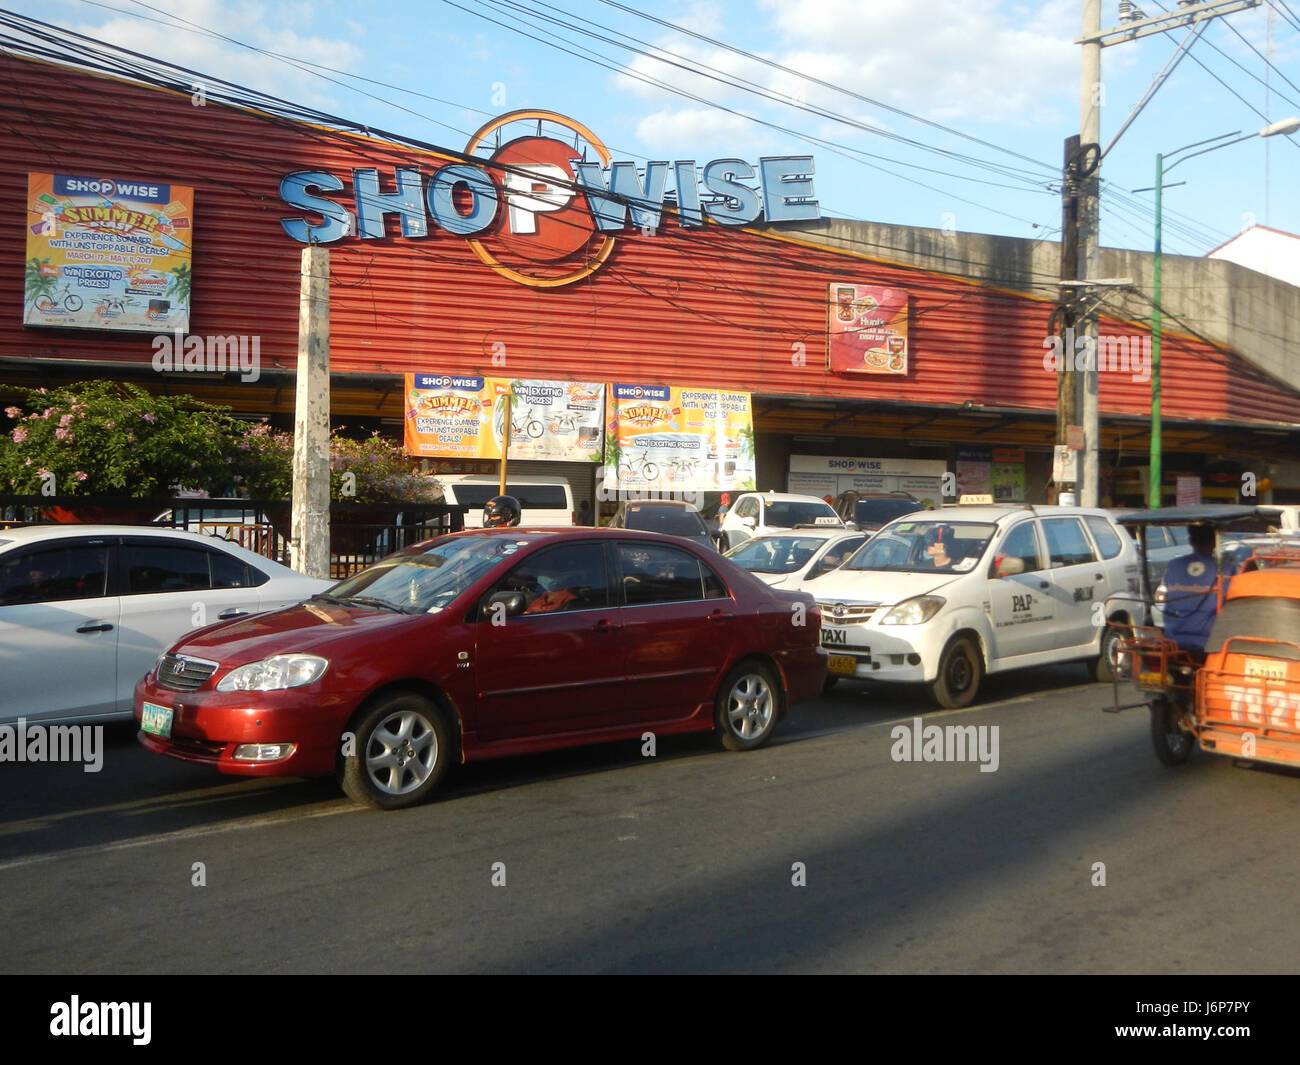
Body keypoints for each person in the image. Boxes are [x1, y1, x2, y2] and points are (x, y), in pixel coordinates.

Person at [1161, 524, 1218, 653]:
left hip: (1173, 638)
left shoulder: (1173, 565)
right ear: (1214, 543)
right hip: (1210, 642)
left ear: (1190, 542)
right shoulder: (1225, 569)